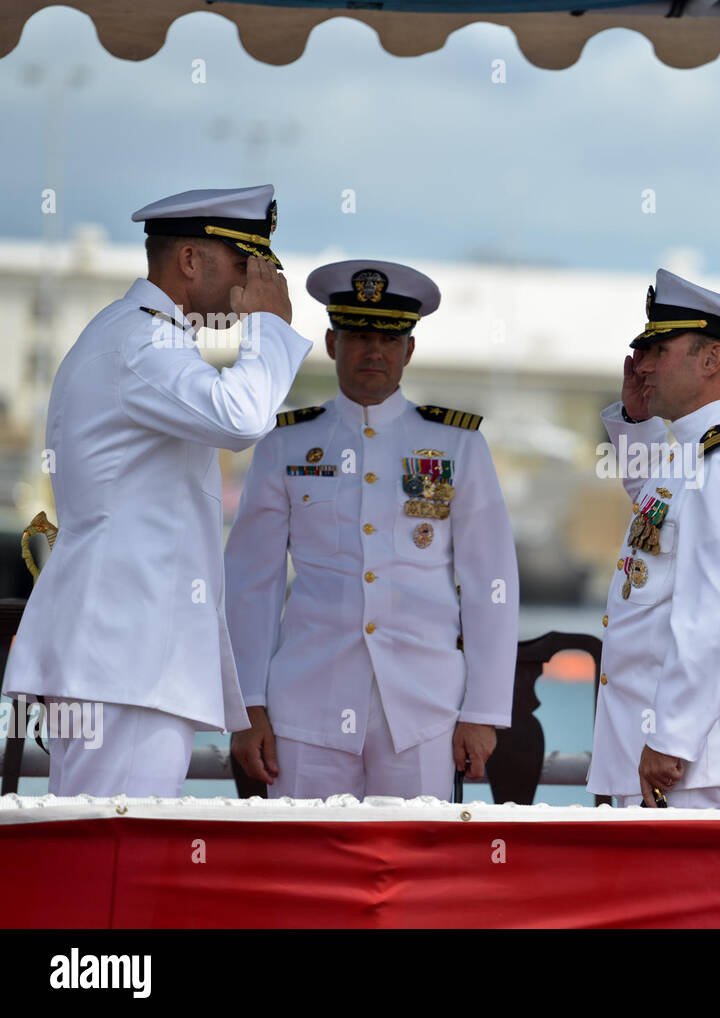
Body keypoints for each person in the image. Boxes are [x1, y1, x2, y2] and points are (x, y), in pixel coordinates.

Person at [1, 185, 312, 797]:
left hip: (129, 657)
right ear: (191, 261)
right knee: (109, 854)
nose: (254, 286)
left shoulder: (147, 338)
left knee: (110, 860)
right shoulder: (142, 343)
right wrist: (269, 328)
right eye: (245, 266)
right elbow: (242, 417)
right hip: (124, 660)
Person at [224, 259, 519, 800]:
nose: (374, 351)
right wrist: (247, 705)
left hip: (424, 710)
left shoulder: (458, 446)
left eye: (389, 338)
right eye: (359, 336)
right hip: (307, 703)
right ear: (333, 343)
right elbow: (251, 584)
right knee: (305, 866)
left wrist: (482, 711)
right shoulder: (285, 445)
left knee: (418, 872)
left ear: (409, 350)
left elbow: (491, 585)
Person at [587, 269, 720, 809]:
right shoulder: (698, 449)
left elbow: (715, 618)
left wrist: (671, 738)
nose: (644, 363)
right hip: (663, 747)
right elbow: (655, 514)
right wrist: (635, 416)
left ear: (711, 360)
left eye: (660, 349)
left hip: (684, 760)